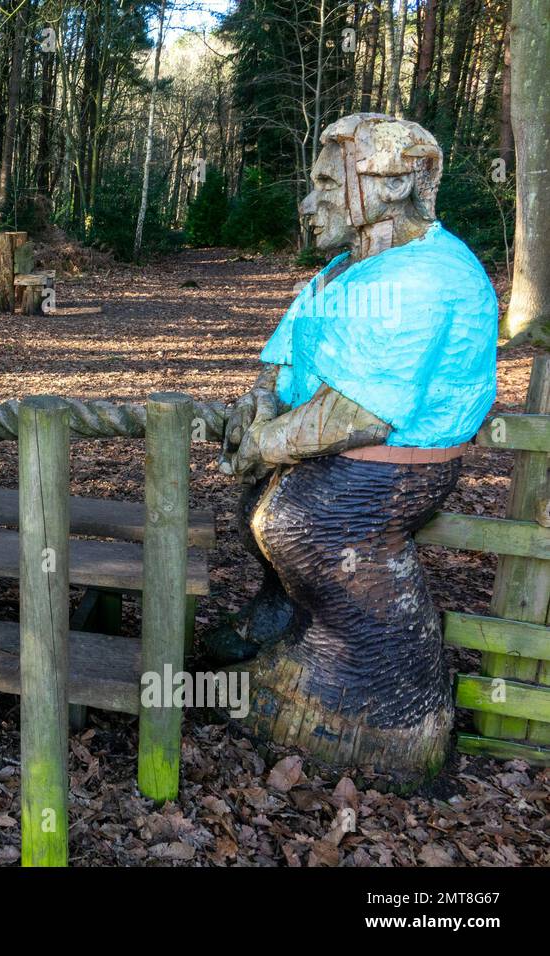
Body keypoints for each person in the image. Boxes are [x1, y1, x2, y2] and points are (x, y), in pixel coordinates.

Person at [215, 113, 498, 780]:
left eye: (324, 186)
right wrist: (262, 401)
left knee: (305, 525)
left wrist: (268, 443)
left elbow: (364, 412)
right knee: (261, 508)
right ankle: (279, 622)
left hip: (399, 461)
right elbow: (287, 349)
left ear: (395, 184)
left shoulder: (425, 277)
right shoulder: (347, 268)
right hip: (339, 447)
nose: (308, 206)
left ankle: (375, 706)